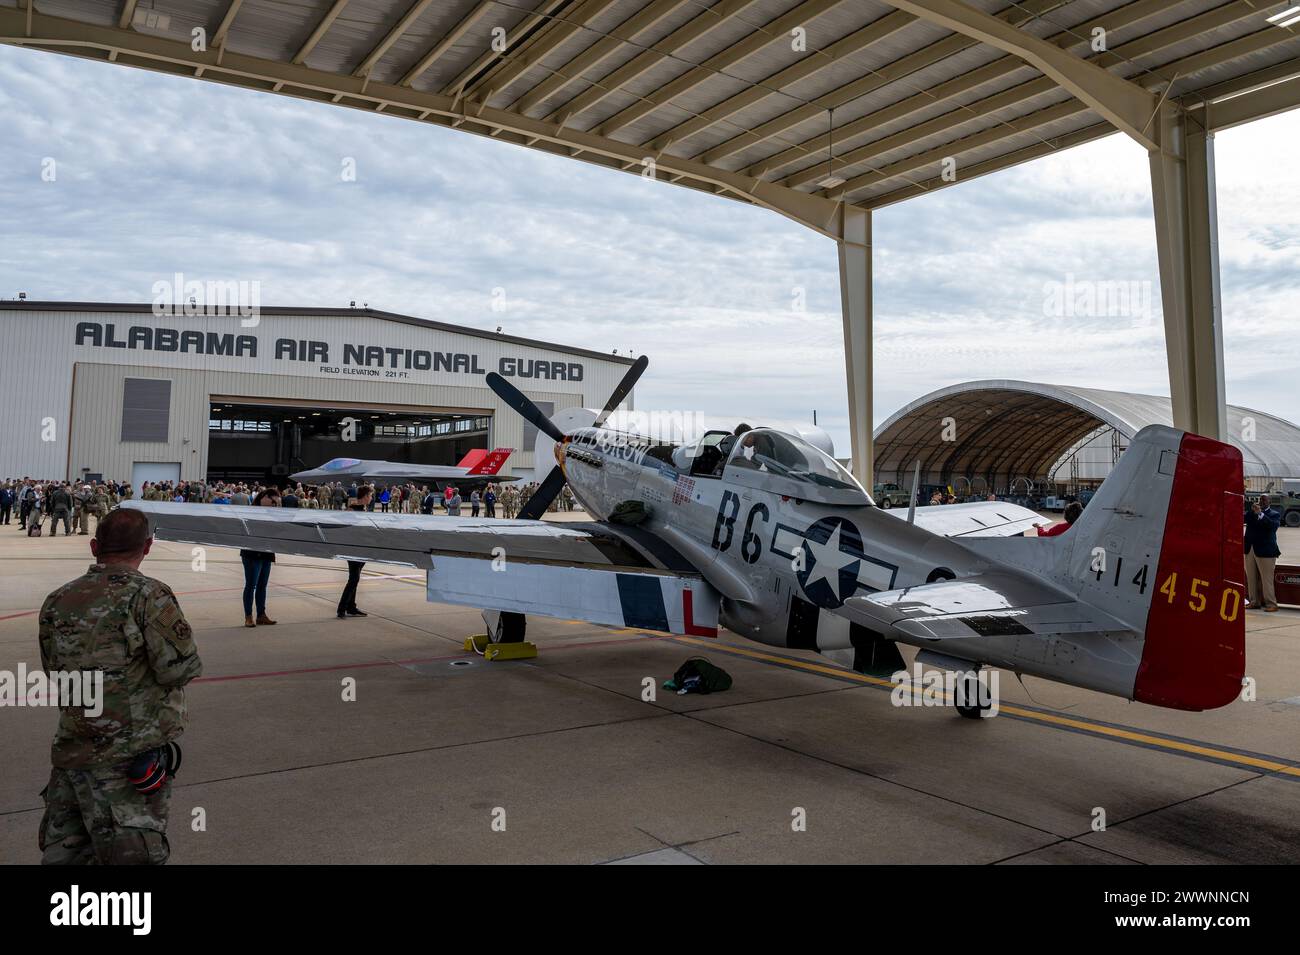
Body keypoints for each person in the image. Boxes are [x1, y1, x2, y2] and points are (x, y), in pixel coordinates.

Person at [37, 508, 203, 864]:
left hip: (71, 754)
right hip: (127, 758)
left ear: (94, 545)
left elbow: (53, 668)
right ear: (148, 546)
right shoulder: (149, 595)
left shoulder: (57, 599)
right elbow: (180, 668)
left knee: (67, 857)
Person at [239, 488, 280, 628]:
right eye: (273, 501)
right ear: (263, 497)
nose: (274, 505)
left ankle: (261, 615)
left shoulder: (272, 514)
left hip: (266, 553)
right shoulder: (251, 512)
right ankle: (248, 616)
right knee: (251, 585)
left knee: (262, 586)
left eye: (276, 503)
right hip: (252, 553)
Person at [338, 485, 371, 619]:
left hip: (362, 548)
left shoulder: (363, 508)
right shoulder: (352, 509)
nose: (371, 498)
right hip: (353, 548)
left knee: (355, 579)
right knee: (353, 579)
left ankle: (351, 607)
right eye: (370, 495)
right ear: (365, 496)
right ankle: (341, 608)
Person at [1245, 494, 1281, 612]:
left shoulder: (1274, 514)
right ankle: (1254, 601)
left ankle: (1271, 604)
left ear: (1270, 501)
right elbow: (1243, 518)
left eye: (1264, 499)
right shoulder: (1252, 513)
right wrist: (1252, 511)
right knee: (1251, 578)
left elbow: (1271, 526)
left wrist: (1260, 514)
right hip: (1250, 549)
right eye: (1260, 499)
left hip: (1266, 551)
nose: (1261, 501)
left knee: (1266, 579)